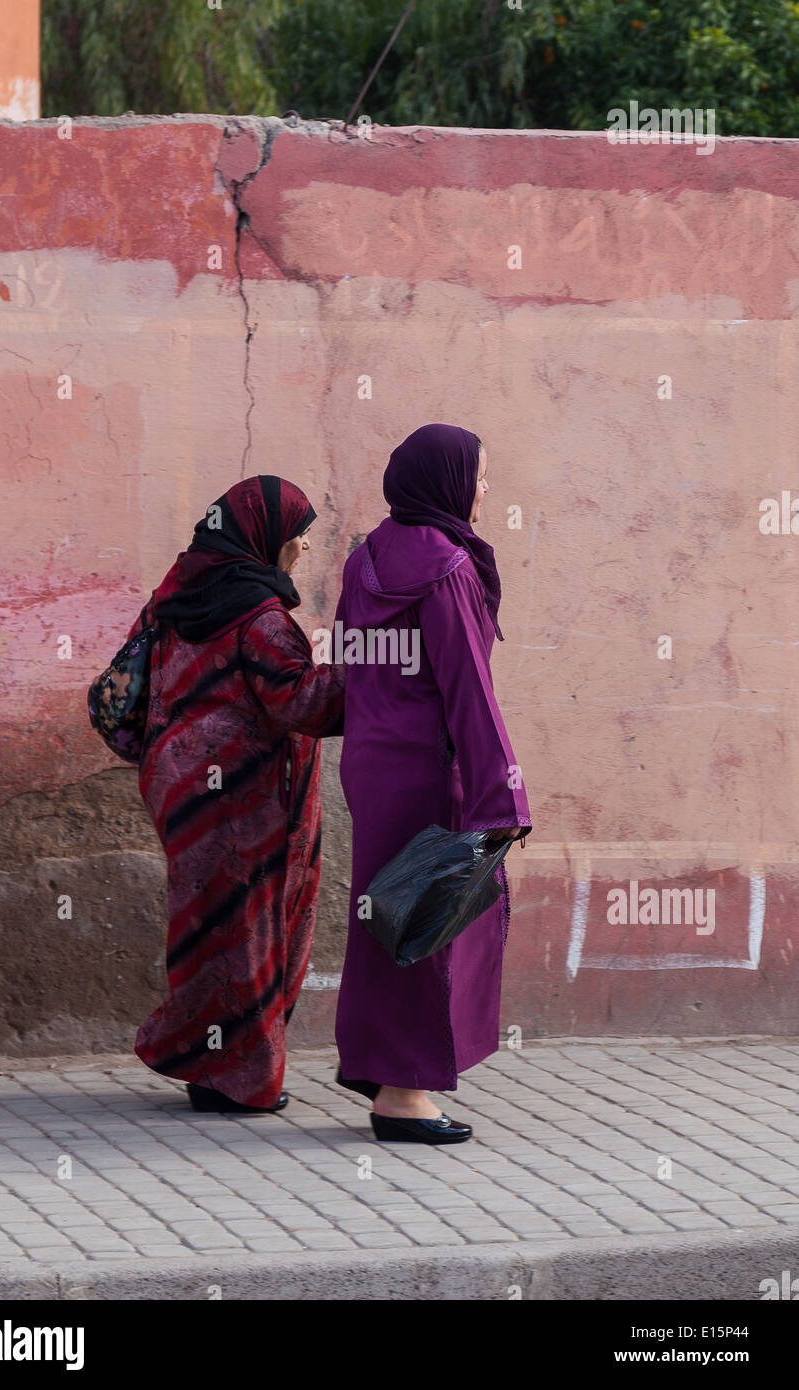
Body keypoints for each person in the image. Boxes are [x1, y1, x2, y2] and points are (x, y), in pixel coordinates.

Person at [333, 424, 532, 1144]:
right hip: (430, 767)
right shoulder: (445, 566)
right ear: (448, 482)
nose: (485, 490)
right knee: (430, 924)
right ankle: (403, 1096)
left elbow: (353, 661)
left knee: (385, 917)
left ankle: (382, 1069)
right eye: (479, 476)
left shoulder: (366, 558)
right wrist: (501, 798)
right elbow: (468, 689)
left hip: (372, 763)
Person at [128, 475, 344, 1114]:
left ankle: (206, 1063)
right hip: (245, 802)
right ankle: (240, 1081)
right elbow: (301, 700)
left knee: (207, 926)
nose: (303, 549)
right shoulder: (261, 617)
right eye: (298, 536)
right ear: (264, 537)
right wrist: (379, 679)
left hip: (183, 795)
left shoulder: (177, 591)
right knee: (251, 931)